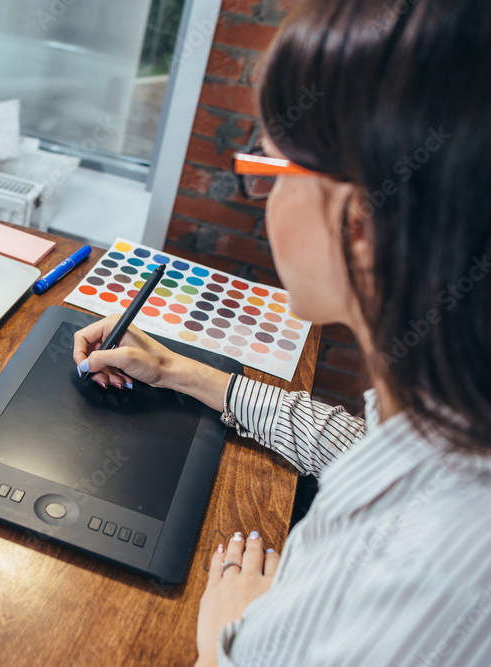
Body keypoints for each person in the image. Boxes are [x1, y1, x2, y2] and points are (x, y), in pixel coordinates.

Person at [73, 0, 491, 664]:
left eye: (267, 172)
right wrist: (184, 372)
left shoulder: (415, 578)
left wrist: (227, 639)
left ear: (357, 223)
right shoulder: (445, 408)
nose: (261, 199)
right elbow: (361, 447)